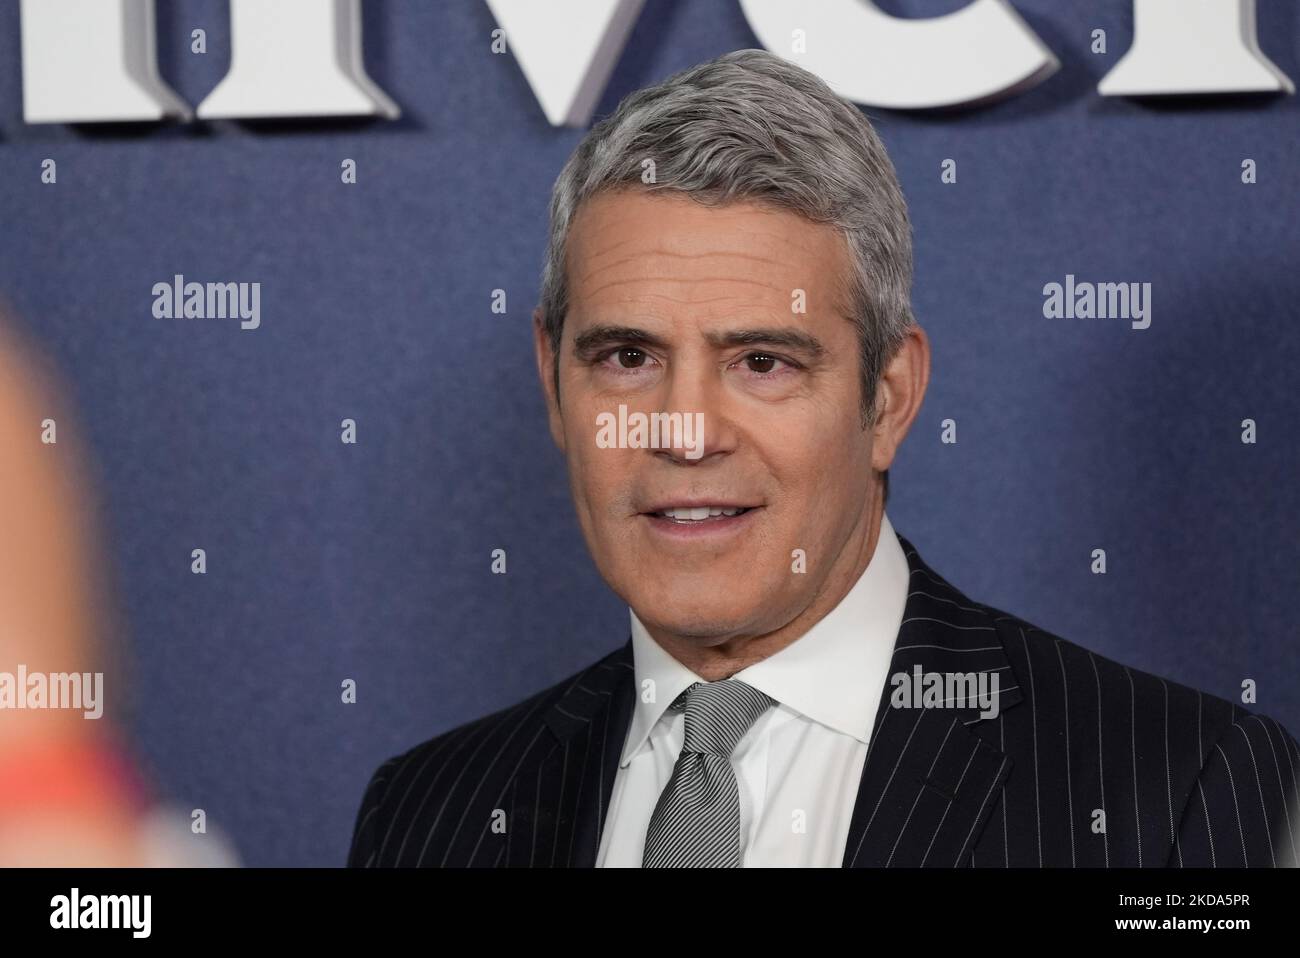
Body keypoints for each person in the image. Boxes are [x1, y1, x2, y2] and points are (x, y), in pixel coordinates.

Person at [347, 49, 1298, 868]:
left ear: (888, 398)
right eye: (628, 358)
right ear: (554, 383)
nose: (684, 433)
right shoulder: (433, 814)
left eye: (761, 362)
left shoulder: (1182, 793)